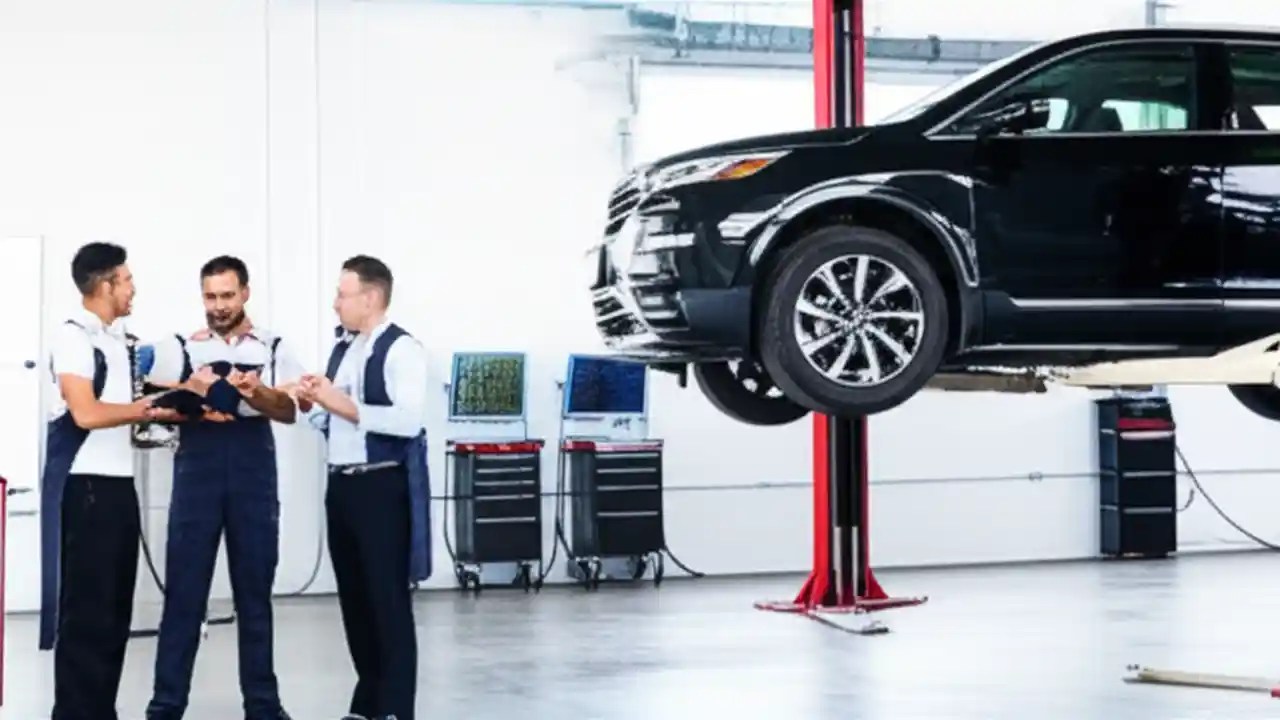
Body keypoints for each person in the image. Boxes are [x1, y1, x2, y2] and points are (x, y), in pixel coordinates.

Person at [143, 255, 301, 720]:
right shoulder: (180, 346)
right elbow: (145, 388)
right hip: (198, 471)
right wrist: (189, 388)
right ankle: (165, 707)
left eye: (227, 295)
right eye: (210, 296)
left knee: (255, 593)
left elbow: (289, 409)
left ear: (246, 292)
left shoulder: (274, 345)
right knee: (184, 594)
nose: (218, 306)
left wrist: (255, 392)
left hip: (254, 470)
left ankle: (264, 707)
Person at [39, 242, 184, 720]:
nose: (132, 288)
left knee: (115, 610)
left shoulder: (118, 341)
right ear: (105, 285)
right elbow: (84, 412)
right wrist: (147, 409)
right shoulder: (73, 338)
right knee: (86, 614)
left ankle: (101, 709)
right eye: (126, 280)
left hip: (119, 488)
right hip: (86, 489)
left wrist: (189, 388)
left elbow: (136, 403)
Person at [291, 255, 430, 720]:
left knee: (386, 600)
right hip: (342, 489)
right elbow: (329, 420)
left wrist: (344, 405)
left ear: (370, 298)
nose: (335, 304)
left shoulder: (403, 350)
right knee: (354, 599)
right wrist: (313, 402)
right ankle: (367, 700)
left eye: (342, 294)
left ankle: (394, 709)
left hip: (380, 489)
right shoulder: (345, 350)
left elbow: (408, 422)